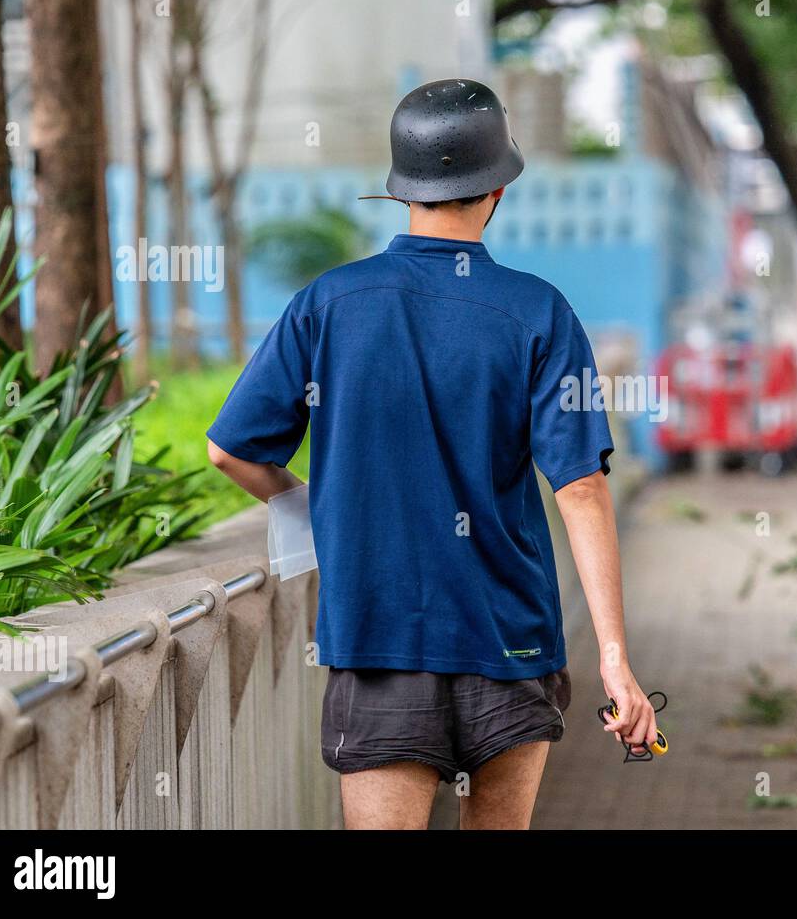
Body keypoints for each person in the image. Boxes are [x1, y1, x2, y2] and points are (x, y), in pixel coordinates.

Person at [205, 78, 656, 829]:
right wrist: (615, 658)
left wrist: (322, 510)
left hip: (380, 644)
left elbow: (229, 452)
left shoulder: (329, 302)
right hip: (512, 646)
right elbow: (580, 489)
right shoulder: (539, 312)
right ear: (498, 192)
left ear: (401, 191)